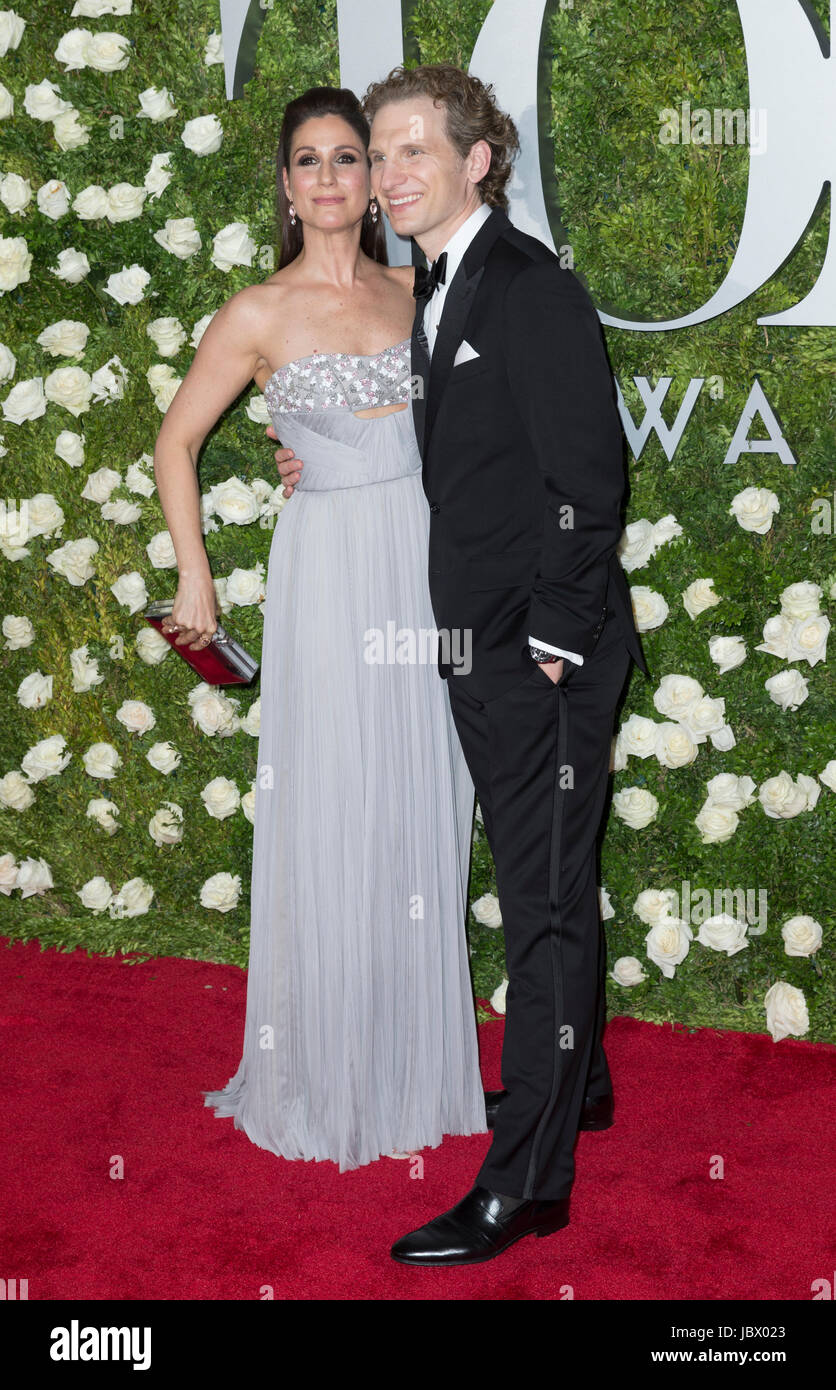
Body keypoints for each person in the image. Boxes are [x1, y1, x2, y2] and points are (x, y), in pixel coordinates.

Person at [276, 64, 649, 1263]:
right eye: (373, 154)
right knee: (539, 876)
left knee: (538, 908)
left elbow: (589, 489)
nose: (384, 175)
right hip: (474, 641)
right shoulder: (439, 285)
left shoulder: (529, 292)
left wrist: (545, 644)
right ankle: (575, 1083)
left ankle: (529, 1182)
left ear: (477, 160)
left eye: (408, 151)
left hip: (539, 655)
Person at [152, 85, 486, 1174]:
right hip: (331, 573)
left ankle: (411, 1066)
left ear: (372, 178)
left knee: (418, 797)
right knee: (339, 792)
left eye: (349, 157)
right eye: (310, 161)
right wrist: (195, 578)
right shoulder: (256, 311)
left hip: (424, 565)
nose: (333, 177)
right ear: (287, 185)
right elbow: (175, 444)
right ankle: (327, 1073)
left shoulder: (414, 288)